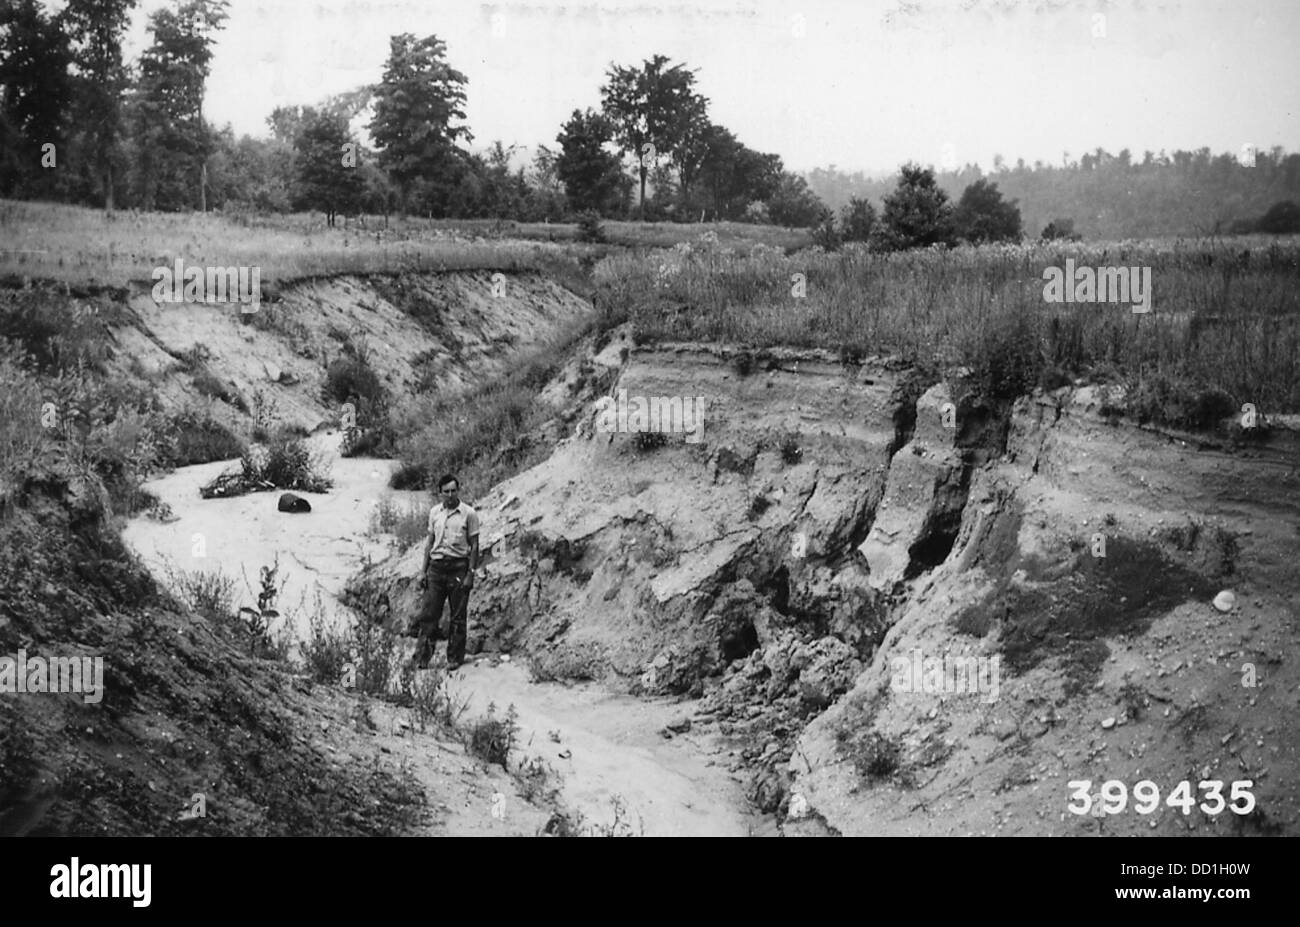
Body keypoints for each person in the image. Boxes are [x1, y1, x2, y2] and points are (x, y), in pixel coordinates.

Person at [413, 473, 480, 670]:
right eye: (446, 492)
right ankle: (422, 658)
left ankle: (454, 658)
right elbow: (429, 543)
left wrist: (471, 573)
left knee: (458, 615)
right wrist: (422, 571)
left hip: (458, 566)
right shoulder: (435, 512)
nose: (450, 495)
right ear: (440, 493)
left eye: (453, 491)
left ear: (458, 491)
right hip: (436, 567)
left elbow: (475, 546)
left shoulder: (469, 514)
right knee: (429, 614)